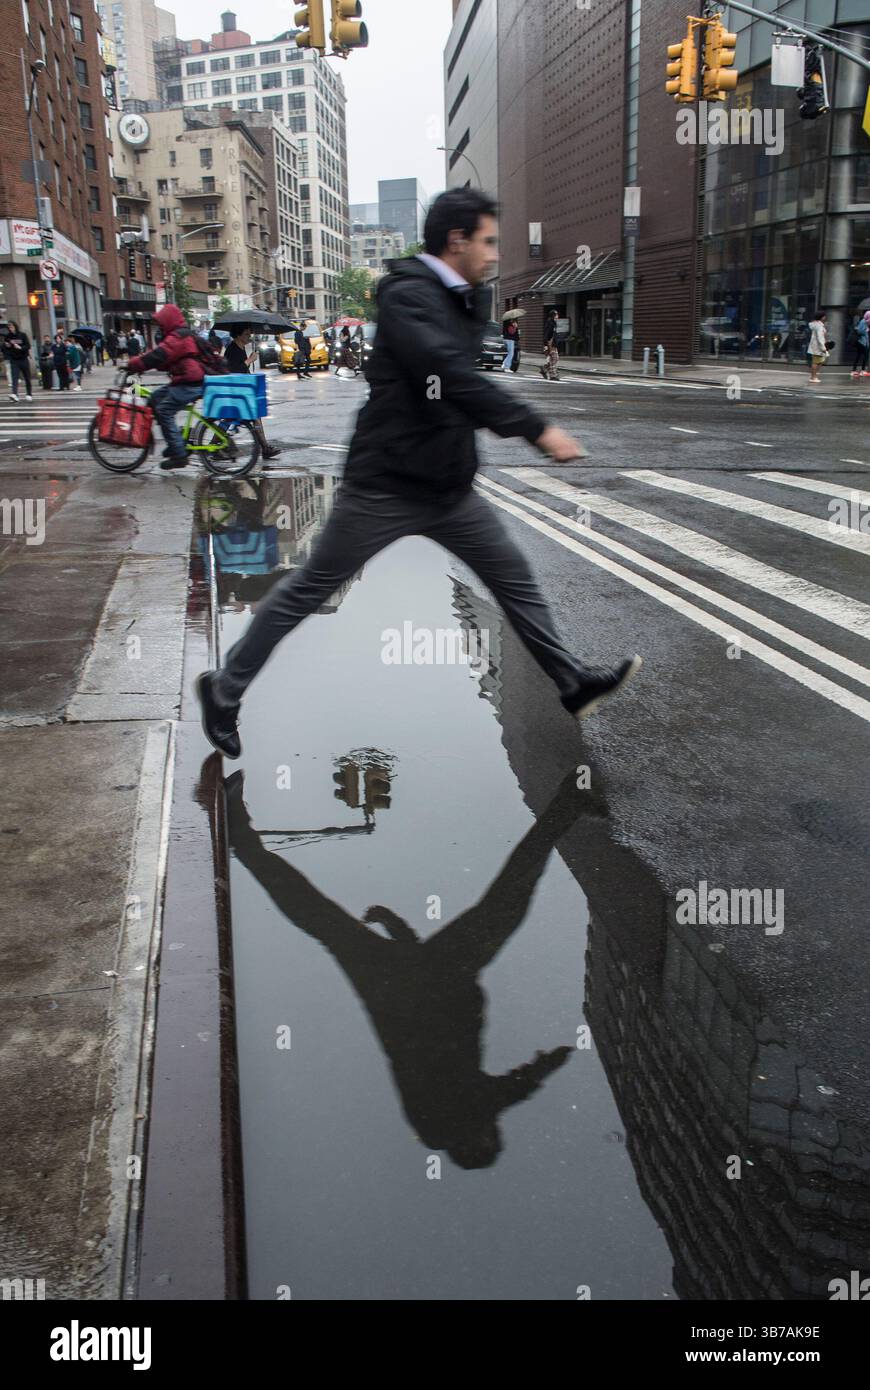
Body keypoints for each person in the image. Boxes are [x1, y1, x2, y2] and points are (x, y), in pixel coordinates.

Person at [196, 187, 641, 760]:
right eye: (486, 241)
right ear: (456, 240)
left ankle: (573, 684)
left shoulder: (462, 298)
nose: (494, 254)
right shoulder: (408, 297)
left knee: (515, 580)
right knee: (309, 587)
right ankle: (225, 691)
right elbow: (448, 374)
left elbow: (456, 380)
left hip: (448, 487)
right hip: (385, 484)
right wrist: (536, 428)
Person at [125, 302, 206, 470]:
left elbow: (158, 355)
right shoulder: (179, 335)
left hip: (189, 382)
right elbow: (164, 359)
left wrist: (134, 364)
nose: (160, 327)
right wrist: (143, 365)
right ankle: (174, 442)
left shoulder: (177, 337)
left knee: (164, 411)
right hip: (185, 380)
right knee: (154, 399)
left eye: (162, 324)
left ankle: (179, 454)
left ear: (169, 321)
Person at [223, 325, 281, 461]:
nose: (249, 337)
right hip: (234, 392)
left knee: (232, 419)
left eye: (249, 334)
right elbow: (234, 370)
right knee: (250, 416)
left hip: (240, 390)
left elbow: (242, 369)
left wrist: (248, 361)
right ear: (238, 336)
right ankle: (265, 448)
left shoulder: (240, 348)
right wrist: (249, 360)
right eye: (247, 334)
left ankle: (265, 448)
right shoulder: (232, 349)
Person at [3, 322, 34, 401]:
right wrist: (7, 346)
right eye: (9, 327)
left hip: (23, 358)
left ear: (15, 327)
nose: (10, 329)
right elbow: (5, 347)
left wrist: (20, 347)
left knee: (27, 377)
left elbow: (28, 345)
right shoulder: (8, 337)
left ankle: (29, 393)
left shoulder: (22, 335)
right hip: (14, 359)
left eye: (12, 327)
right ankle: (14, 394)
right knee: (14, 377)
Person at [807, 310, 829, 385]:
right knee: (816, 362)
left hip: (817, 346)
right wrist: (823, 347)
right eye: (824, 316)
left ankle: (814, 376)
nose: (825, 317)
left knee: (819, 361)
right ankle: (813, 377)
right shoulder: (819, 326)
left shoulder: (817, 325)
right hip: (818, 347)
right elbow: (820, 337)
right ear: (822, 317)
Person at [540, 309, 560, 380]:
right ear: (553, 316)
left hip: (553, 344)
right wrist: (547, 345)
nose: (558, 316)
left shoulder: (553, 323)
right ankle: (553, 375)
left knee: (555, 359)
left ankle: (544, 368)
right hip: (550, 344)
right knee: (554, 359)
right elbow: (548, 335)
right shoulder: (550, 323)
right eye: (556, 314)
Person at [849, 312, 869, 379]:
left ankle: (854, 370)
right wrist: (867, 330)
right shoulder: (863, 322)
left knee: (859, 356)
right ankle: (862, 371)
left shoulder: (865, 321)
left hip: (863, 341)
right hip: (861, 342)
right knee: (865, 355)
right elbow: (860, 331)